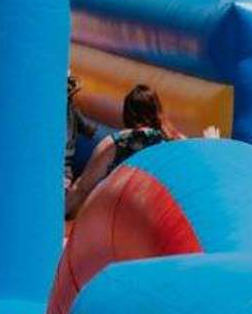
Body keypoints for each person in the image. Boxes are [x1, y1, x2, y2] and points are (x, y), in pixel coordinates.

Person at [64, 82, 174, 219]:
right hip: (154, 216)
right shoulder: (168, 143)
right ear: (157, 112)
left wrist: (62, 213)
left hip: (118, 216)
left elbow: (83, 187)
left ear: (126, 113)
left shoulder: (116, 143)